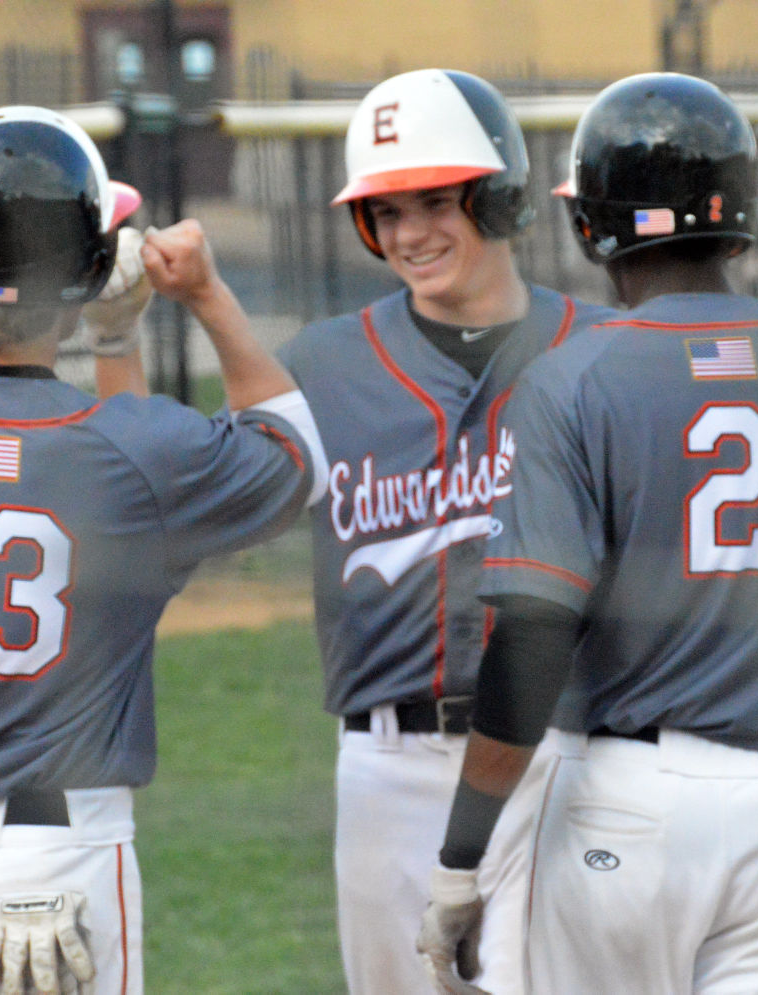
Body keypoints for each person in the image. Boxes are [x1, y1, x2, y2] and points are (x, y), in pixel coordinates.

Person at [0, 105, 326, 995]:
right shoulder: (129, 450)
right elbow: (295, 451)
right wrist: (203, 294)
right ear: (82, 272)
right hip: (46, 879)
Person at [418, 72, 758, 994]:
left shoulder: (573, 375)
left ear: (591, 222)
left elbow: (535, 631)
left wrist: (460, 859)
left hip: (627, 808)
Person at [276, 68, 616, 995]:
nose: (409, 234)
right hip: (388, 764)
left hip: (566, 755)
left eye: (435, 201)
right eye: (386, 212)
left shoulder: (601, 348)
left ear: (498, 197)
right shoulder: (323, 361)